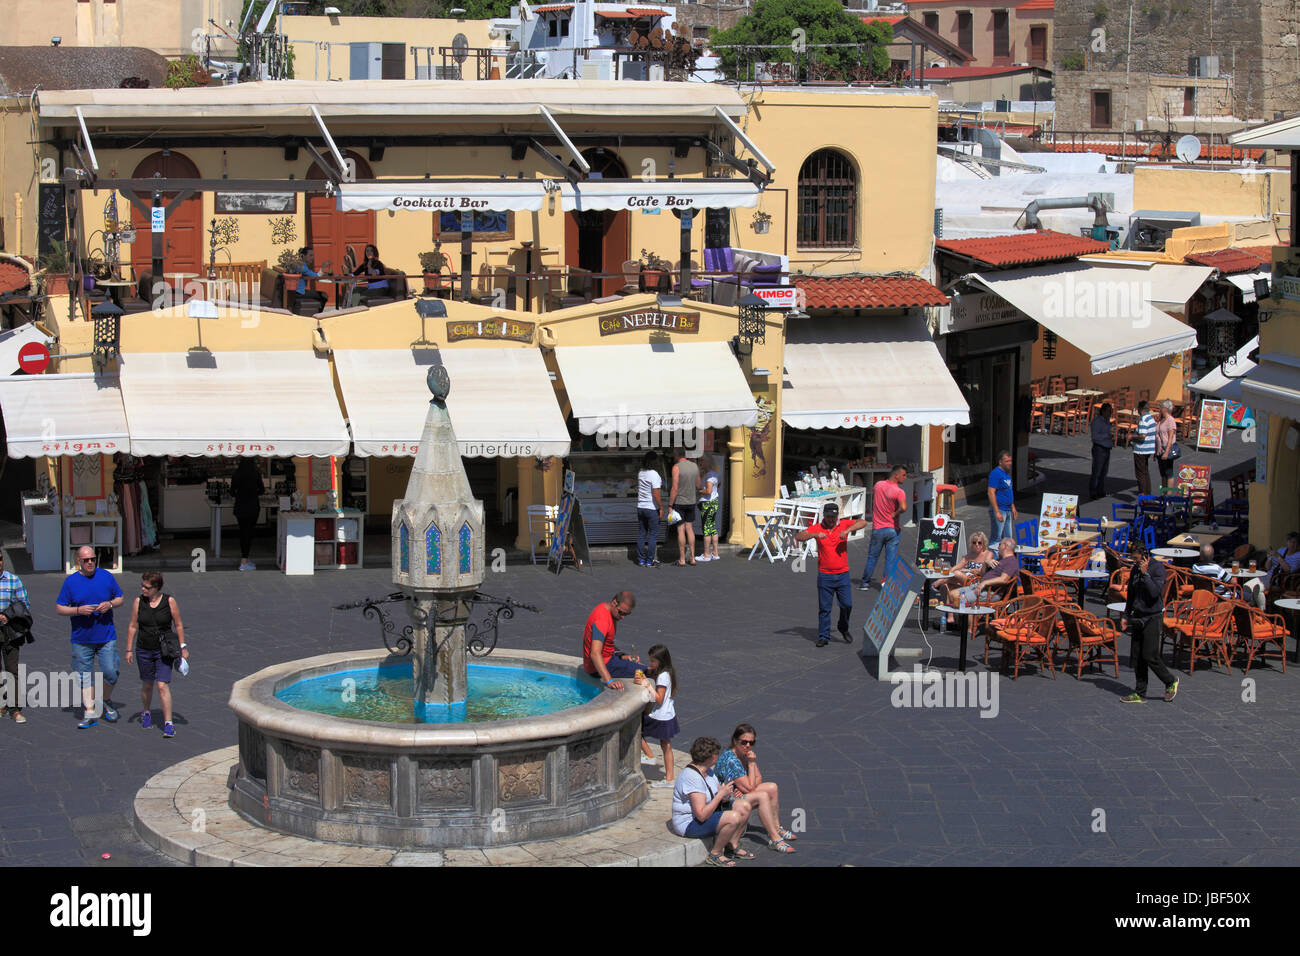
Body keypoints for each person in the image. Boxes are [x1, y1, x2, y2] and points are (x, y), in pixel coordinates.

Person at [56, 546, 124, 729]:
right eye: (86, 560)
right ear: (78, 561)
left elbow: (120, 598)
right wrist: (78, 610)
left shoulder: (106, 576)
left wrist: (109, 604)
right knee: (85, 677)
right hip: (81, 638)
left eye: (93, 559)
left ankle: (106, 699)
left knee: (111, 672)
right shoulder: (71, 582)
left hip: (106, 636)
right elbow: (60, 608)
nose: (90, 563)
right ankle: (90, 711)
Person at [670, 737, 755, 866]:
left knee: (744, 806)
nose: (718, 756)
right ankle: (715, 854)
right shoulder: (692, 777)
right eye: (717, 754)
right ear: (711, 757)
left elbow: (716, 794)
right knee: (733, 817)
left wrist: (725, 794)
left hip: (705, 813)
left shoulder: (708, 771)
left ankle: (732, 846)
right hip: (689, 823)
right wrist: (720, 795)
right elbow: (702, 815)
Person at [714, 724, 797, 853]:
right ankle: (775, 839)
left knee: (772, 787)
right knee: (762, 795)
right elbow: (752, 788)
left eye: (751, 742)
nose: (748, 746)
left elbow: (759, 779)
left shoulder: (744, 754)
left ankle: (776, 827)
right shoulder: (731, 760)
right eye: (744, 742)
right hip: (723, 801)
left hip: (737, 793)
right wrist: (751, 764)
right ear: (735, 741)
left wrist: (746, 783)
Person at [795, 502, 869, 647]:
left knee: (847, 605)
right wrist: (815, 534)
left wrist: (847, 531)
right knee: (824, 608)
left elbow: (863, 522)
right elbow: (799, 536)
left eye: (833, 517)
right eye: (829, 517)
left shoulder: (843, 525)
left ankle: (843, 627)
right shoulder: (818, 527)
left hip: (842, 574)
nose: (831, 520)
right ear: (824, 515)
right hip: (825, 575)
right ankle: (823, 635)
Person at [125, 571, 188, 738]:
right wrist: (128, 649)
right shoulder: (139, 602)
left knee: (162, 685)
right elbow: (133, 626)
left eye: (146, 587)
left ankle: (168, 723)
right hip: (143, 649)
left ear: (156, 588)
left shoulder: (169, 601)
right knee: (147, 684)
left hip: (163, 650)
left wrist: (182, 647)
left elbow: (179, 625)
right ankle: (146, 712)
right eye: (142, 586)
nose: (142, 589)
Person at [1121, 542, 1178, 704]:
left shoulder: (1157, 569)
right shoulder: (1134, 570)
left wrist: (1145, 575)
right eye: (1133, 560)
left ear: (1145, 556)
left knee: (1150, 655)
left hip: (1153, 617)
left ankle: (1170, 681)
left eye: (1137, 560)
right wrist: (1126, 615)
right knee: (1138, 656)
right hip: (1138, 616)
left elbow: (1154, 593)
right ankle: (1140, 692)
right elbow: (1131, 594)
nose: (1135, 563)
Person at [859, 464, 908, 590]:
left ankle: (865, 582)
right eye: (903, 475)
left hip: (878, 528)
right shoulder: (899, 492)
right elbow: (903, 507)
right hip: (893, 529)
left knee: (872, 557)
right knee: (890, 559)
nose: (905, 478)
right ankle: (886, 584)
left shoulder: (878, 485)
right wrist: (895, 513)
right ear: (896, 475)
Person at [637, 644, 678, 788]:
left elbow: (658, 699)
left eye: (653, 661)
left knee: (636, 730)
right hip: (668, 714)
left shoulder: (662, 677)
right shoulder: (668, 673)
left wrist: (647, 684)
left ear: (660, 661)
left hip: (660, 716)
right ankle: (669, 778)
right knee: (666, 745)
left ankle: (649, 756)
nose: (651, 664)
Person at [582, 591, 642, 690]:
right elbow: (595, 654)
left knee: (636, 663)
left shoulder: (605, 607)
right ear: (614, 603)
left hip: (609, 658)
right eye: (621, 612)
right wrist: (609, 680)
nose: (622, 617)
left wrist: (622, 656)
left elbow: (606, 645)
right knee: (648, 672)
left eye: (626, 614)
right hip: (598, 668)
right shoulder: (602, 621)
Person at [0, 551, 33, 725]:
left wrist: (8, 615)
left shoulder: (13, 580)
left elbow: (24, 605)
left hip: (9, 631)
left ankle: (15, 709)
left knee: (12, 670)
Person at [934, 532, 995, 622]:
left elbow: (981, 571)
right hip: (964, 578)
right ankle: (951, 617)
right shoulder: (970, 554)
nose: (977, 545)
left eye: (979, 543)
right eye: (974, 543)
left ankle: (940, 581)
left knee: (957, 574)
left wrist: (967, 570)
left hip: (975, 580)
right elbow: (958, 566)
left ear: (984, 543)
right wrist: (950, 572)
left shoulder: (988, 554)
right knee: (945, 586)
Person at [951, 537, 1020, 608]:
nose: (998, 547)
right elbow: (982, 574)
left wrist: (984, 583)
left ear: (1005, 546)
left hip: (991, 592)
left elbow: (1004, 579)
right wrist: (986, 563)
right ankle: (957, 617)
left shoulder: (1011, 562)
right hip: (979, 586)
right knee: (953, 594)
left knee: (960, 600)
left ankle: (965, 617)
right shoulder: (1000, 559)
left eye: (1000, 545)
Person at [664, 449, 700, 566]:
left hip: (680, 501)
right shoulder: (694, 466)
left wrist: (670, 505)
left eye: (674, 454)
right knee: (689, 528)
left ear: (677, 455)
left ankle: (682, 559)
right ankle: (693, 558)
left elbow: (674, 488)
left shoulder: (676, 467)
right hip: (691, 501)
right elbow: (698, 485)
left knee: (680, 529)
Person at [231, 458, 264, 572]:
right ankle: (244, 560)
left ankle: (244, 559)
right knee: (249, 533)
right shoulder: (255, 474)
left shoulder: (236, 474)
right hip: (253, 507)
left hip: (240, 507)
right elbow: (262, 490)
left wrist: (240, 493)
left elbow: (231, 491)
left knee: (243, 532)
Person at [635, 451, 663, 568]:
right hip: (651, 508)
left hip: (641, 507)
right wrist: (661, 507)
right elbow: (656, 493)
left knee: (642, 534)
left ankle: (641, 560)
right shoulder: (654, 474)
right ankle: (649, 561)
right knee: (652, 535)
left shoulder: (641, 472)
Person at [288, 246, 331, 315]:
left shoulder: (299, 265)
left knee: (320, 295)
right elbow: (317, 276)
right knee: (324, 295)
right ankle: (318, 315)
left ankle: (316, 313)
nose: (312, 258)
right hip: (299, 293)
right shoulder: (302, 267)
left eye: (313, 255)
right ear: (303, 256)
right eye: (310, 255)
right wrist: (323, 266)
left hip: (296, 292)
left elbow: (313, 275)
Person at [987, 450, 1018, 542]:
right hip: (1000, 509)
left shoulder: (1006, 474)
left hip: (1007, 509)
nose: (1010, 463)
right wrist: (996, 511)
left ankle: (1006, 556)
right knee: (997, 537)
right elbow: (991, 492)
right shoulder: (996, 473)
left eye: (1010, 461)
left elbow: (1008, 491)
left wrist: (1013, 507)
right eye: (1007, 461)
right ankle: (994, 556)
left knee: (1008, 539)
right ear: (1000, 462)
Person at [697, 456, 722, 562]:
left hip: (708, 504)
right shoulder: (714, 474)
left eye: (702, 460)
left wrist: (699, 490)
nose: (700, 462)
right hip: (714, 502)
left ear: (708, 462)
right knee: (712, 528)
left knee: (706, 529)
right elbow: (718, 485)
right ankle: (715, 553)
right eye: (699, 460)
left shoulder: (709, 475)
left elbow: (708, 491)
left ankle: (706, 555)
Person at [1089, 402, 1114, 500]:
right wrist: (1106, 436)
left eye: (1111, 411)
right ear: (1103, 411)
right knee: (1097, 471)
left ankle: (1100, 490)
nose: (1110, 413)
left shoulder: (1107, 421)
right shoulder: (1097, 422)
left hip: (1106, 448)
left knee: (1104, 471)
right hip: (1099, 448)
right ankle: (1093, 491)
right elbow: (1095, 437)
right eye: (1109, 411)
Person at [1132, 400, 1157, 497]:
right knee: (1145, 472)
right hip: (1149, 449)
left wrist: (1132, 436)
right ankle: (1147, 493)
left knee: (1140, 474)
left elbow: (1142, 435)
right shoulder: (1151, 418)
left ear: (1141, 409)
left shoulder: (1143, 419)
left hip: (1141, 449)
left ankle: (1143, 494)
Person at [1154, 400, 1179, 490]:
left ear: (1165, 409)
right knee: (1163, 473)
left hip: (1166, 448)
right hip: (1160, 449)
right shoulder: (1161, 419)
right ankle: (1164, 494)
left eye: (1160, 407)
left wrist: (1167, 452)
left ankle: (1168, 497)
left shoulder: (1170, 420)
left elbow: (1170, 438)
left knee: (1169, 473)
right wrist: (1156, 451)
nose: (1159, 409)